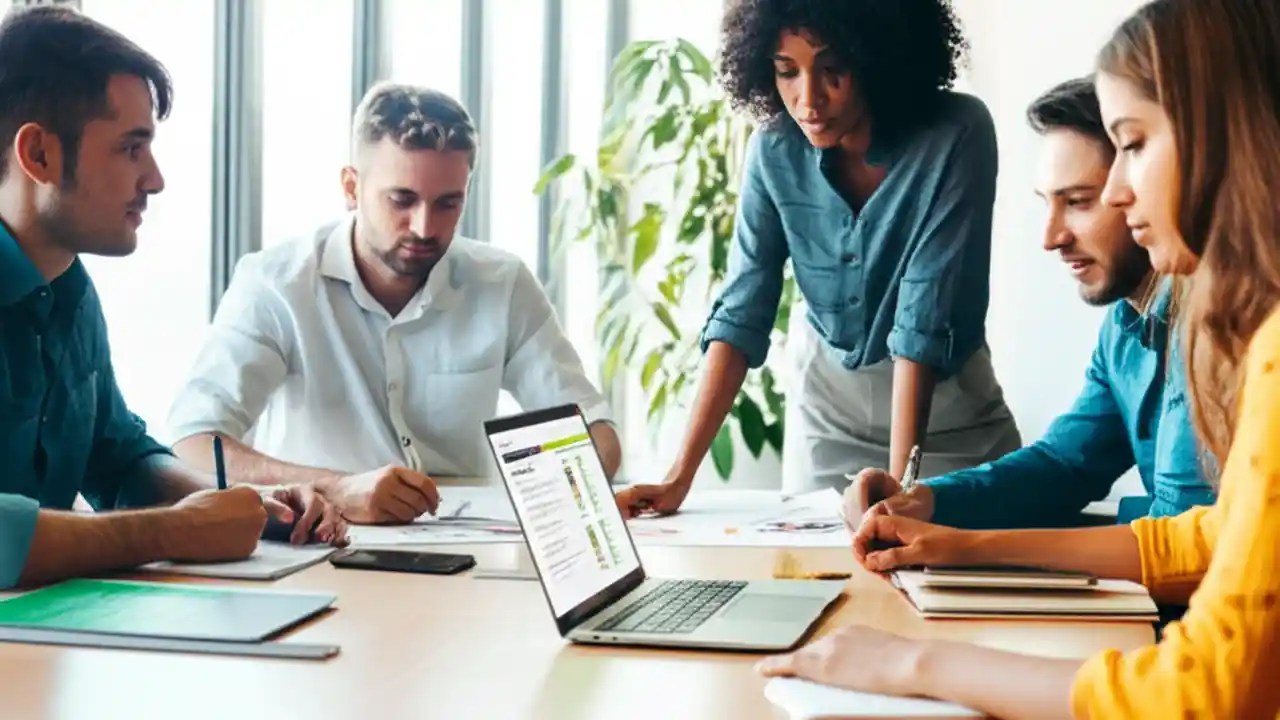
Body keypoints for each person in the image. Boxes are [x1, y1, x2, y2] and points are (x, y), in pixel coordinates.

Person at [760, 1, 1280, 717]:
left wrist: (919, 660)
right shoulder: (1132, 329)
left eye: (1130, 149)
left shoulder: (1250, 340)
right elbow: (1108, 486)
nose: (1119, 196)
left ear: (1221, 139)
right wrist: (938, 517)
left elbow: (1206, 667)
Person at [615, 0, 1021, 518]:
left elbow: (924, 315)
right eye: (786, 71)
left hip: (951, 416)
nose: (808, 99)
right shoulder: (772, 152)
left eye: (833, 70)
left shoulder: (957, 132)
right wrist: (677, 479)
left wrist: (898, 493)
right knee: (825, 583)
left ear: (876, 58)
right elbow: (742, 312)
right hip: (829, 417)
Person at [0, 6, 347, 590]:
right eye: (130, 149)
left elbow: (120, 458)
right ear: (38, 156)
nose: (155, 178)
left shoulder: (69, 289)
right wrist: (172, 531)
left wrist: (244, 503)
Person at [167, 82, 621, 525]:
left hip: (467, 555)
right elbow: (194, 439)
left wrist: (565, 496)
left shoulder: (502, 284)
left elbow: (593, 429)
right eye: (402, 199)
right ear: (351, 187)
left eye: (448, 204)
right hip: (320, 546)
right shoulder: (276, 284)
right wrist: (338, 488)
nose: (424, 227)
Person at [843, 78, 1216, 530]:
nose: (1051, 238)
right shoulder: (1124, 325)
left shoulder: (1208, 320)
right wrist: (923, 502)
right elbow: (1063, 465)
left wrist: (966, 549)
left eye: (1078, 202)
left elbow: (1177, 535)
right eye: (1048, 205)